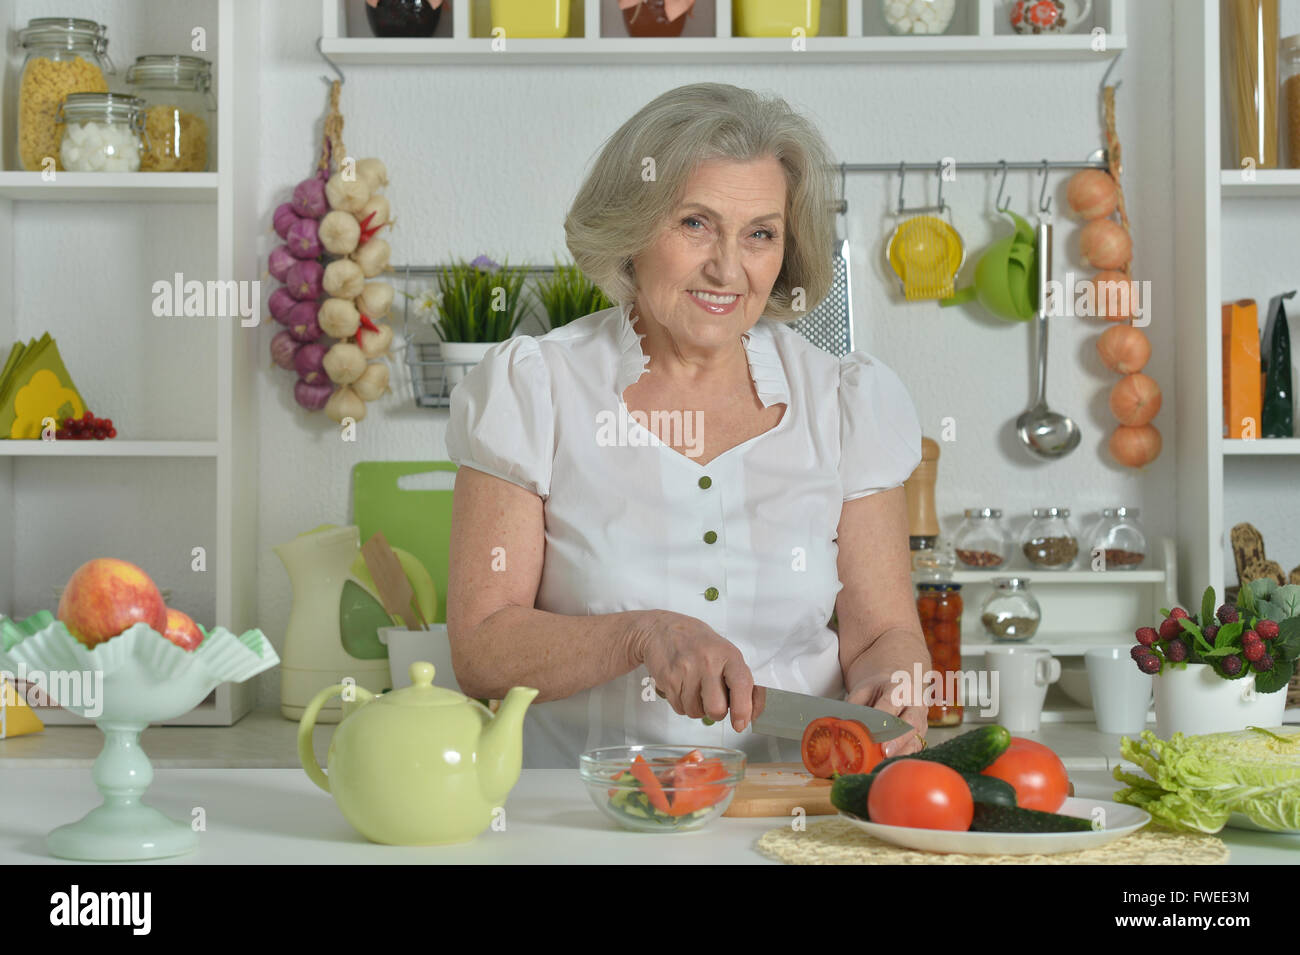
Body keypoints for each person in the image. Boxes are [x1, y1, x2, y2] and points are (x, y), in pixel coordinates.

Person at [445, 82, 928, 768]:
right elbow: (482, 650)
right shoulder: (536, 388)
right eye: (695, 223)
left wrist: (895, 683)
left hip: (789, 804)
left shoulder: (844, 401)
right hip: (573, 818)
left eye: (760, 234)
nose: (728, 268)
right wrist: (642, 635)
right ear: (632, 230)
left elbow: (883, 632)